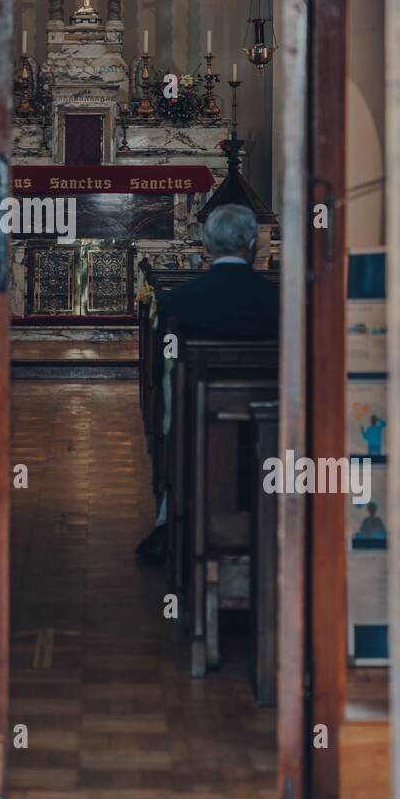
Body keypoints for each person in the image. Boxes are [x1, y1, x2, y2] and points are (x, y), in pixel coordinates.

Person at [135, 203, 278, 563]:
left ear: (206, 245)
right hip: (273, 425)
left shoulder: (178, 301)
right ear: (253, 245)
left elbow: (161, 368)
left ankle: (174, 521)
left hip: (197, 423)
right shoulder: (282, 300)